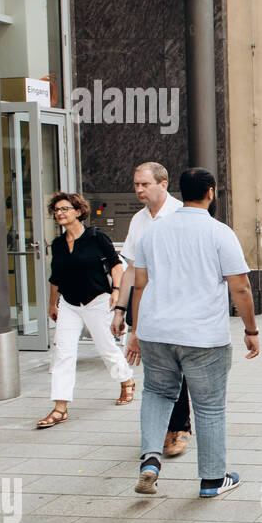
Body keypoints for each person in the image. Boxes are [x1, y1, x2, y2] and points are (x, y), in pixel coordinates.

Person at [125, 168, 259, 498]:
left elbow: (139, 285)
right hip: (202, 336)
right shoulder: (219, 232)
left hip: (156, 330)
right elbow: (240, 287)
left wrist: (137, 330)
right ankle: (213, 480)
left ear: (180, 192)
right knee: (209, 407)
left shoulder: (154, 233)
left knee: (156, 393)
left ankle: (150, 461)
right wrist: (251, 329)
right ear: (211, 192)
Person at [111, 162, 192, 457]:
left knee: (175, 366)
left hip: (178, 305)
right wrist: (120, 309)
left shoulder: (183, 214)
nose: (139, 190)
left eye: (144, 184)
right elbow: (131, 268)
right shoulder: (139, 220)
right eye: (136, 185)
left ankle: (180, 427)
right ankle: (168, 426)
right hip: (146, 305)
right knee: (158, 370)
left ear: (163, 183)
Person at [36, 192, 134, 429]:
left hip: (97, 300)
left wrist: (116, 291)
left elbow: (116, 265)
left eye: (65, 209)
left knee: (106, 346)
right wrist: (52, 303)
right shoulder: (58, 244)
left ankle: (126, 380)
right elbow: (55, 276)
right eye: (57, 210)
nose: (60, 213)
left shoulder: (96, 238)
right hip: (69, 304)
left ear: (78, 211)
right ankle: (60, 407)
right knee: (63, 353)